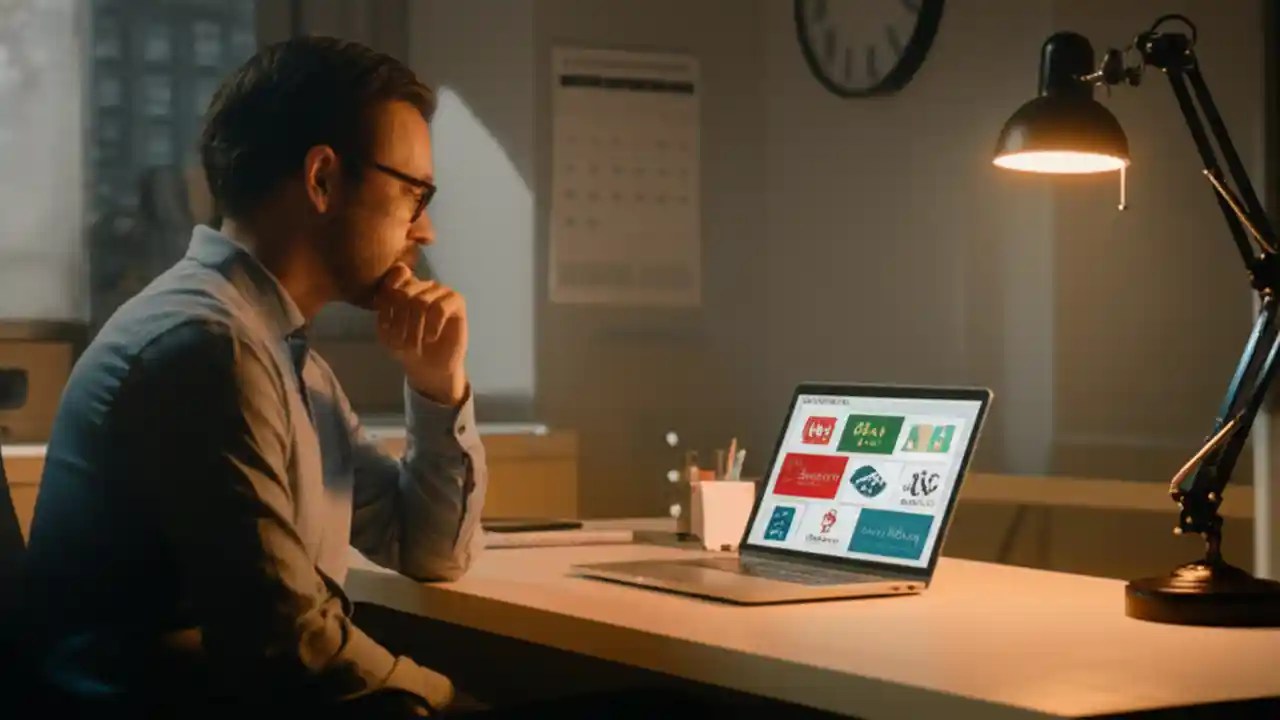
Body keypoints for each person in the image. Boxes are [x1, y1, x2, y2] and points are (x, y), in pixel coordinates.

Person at [23, 36, 485, 718]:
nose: (426, 232)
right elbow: (291, 648)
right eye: (413, 195)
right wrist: (461, 704)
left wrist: (436, 384)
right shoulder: (211, 349)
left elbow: (427, 549)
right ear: (323, 179)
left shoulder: (276, 350)